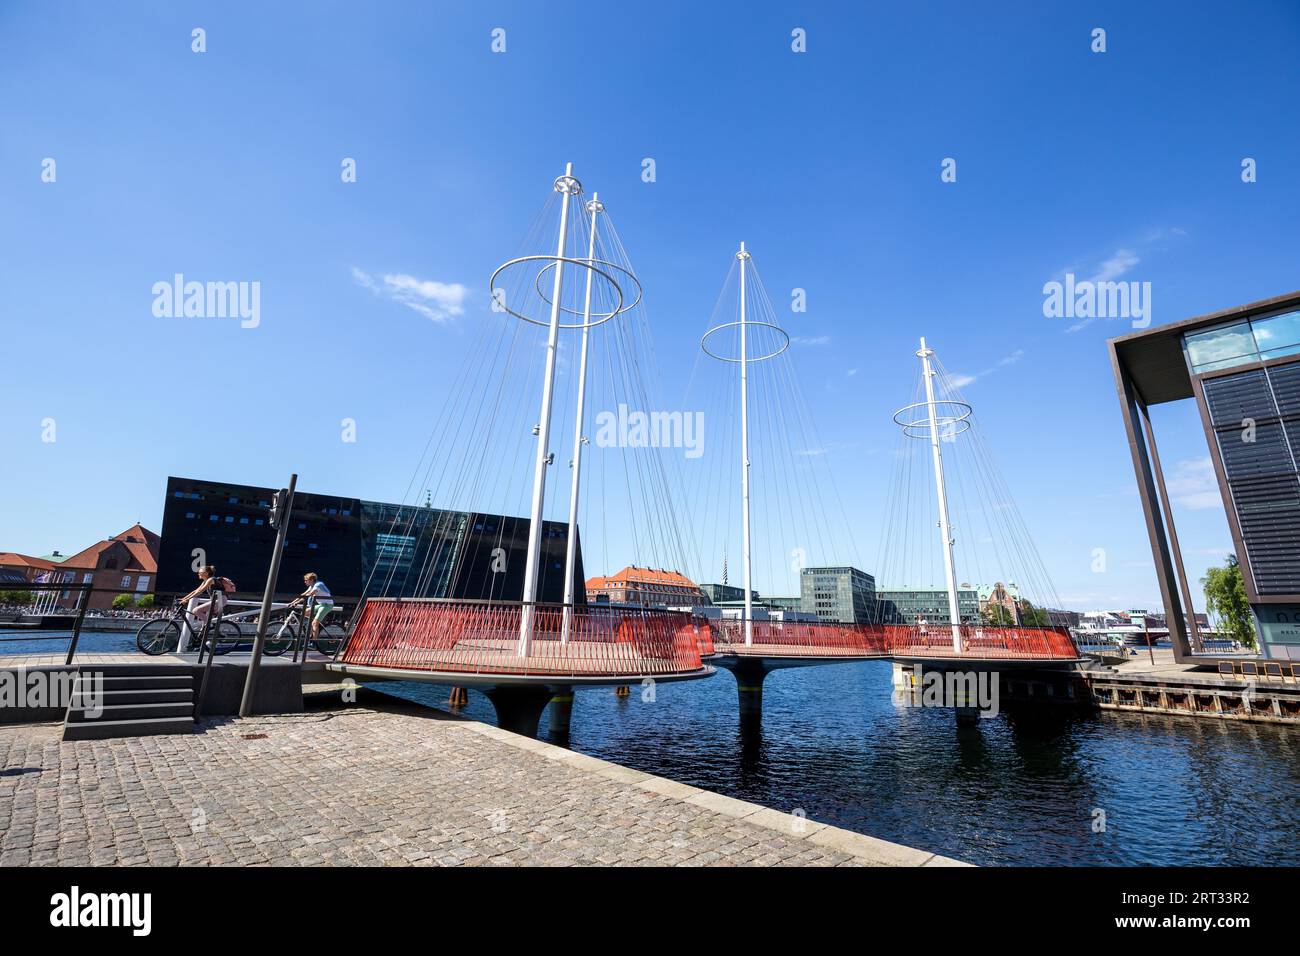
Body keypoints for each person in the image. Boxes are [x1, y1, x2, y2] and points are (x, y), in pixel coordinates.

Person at [178, 566, 228, 649]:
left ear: (206, 573)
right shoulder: (206, 580)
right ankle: (211, 635)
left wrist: (187, 600)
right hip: (215, 600)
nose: (198, 573)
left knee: (196, 610)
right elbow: (196, 591)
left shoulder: (211, 580)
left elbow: (200, 591)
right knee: (204, 623)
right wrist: (184, 598)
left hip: (220, 600)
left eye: (200, 572)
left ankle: (211, 626)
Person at [289, 573, 333, 646]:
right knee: (304, 613)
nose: (305, 582)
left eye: (306, 580)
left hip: (327, 606)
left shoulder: (318, 585)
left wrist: (297, 602)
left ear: (312, 580)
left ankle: (313, 643)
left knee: (314, 623)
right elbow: (303, 594)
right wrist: (293, 602)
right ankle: (314, 627)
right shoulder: (312, 586)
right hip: (321, 605)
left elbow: (309, 594)